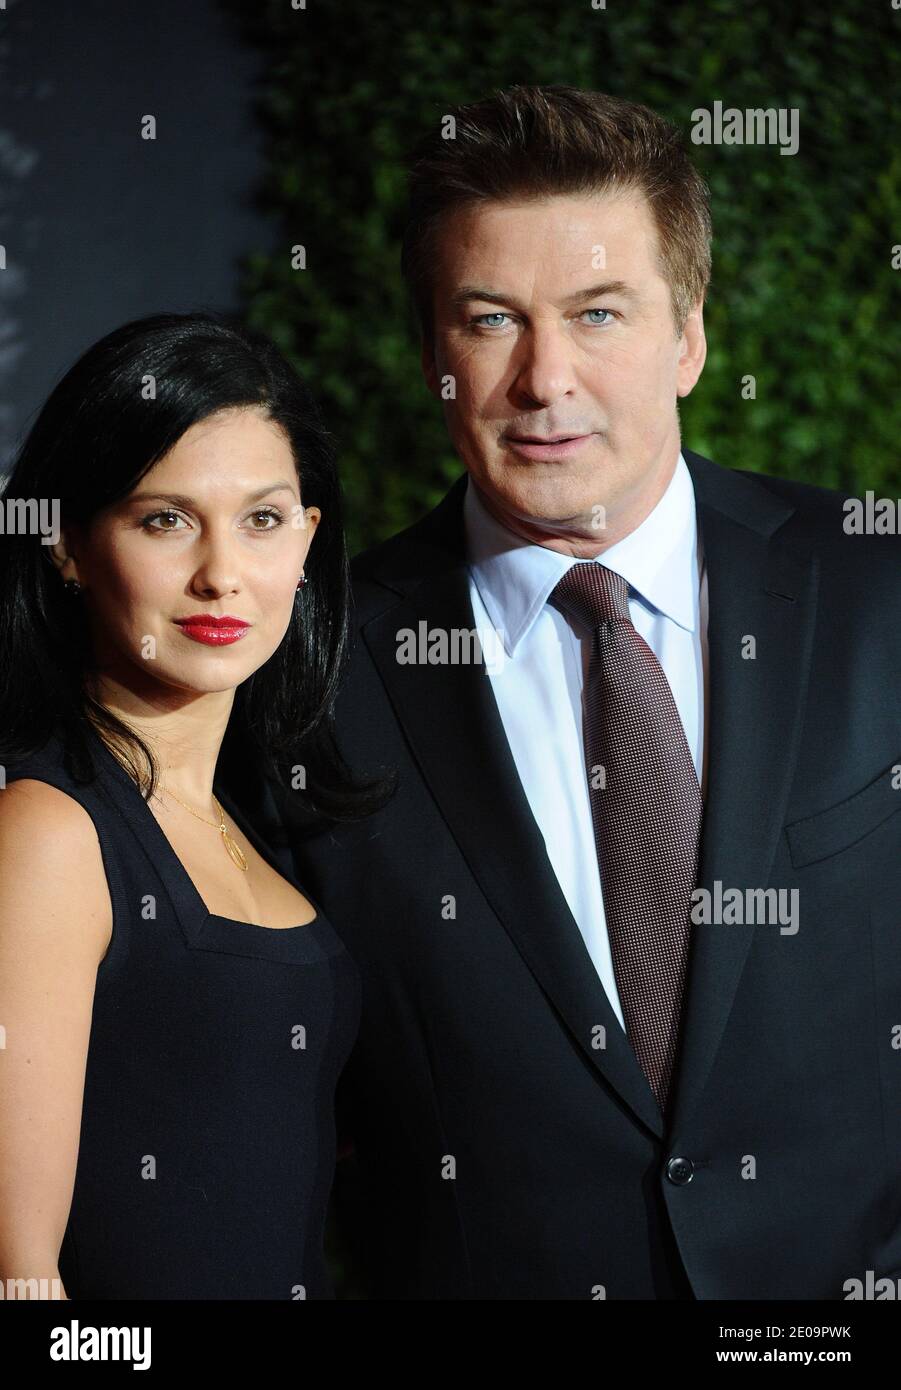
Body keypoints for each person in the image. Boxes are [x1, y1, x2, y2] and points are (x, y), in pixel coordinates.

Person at [263, 86, 901, 1298]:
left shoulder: (876, 589)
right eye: (490, 320)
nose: (543, 378)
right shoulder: (304, 662)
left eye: (598, 312)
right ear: (431, 355)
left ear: (690, 336)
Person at [0, 312, 393, 1299]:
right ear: (67, 545)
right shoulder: (49, 834)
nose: (221, 573)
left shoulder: (262, 820)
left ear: (306, 540)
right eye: (163, 519)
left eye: (262, 519)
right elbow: (20, 1277)